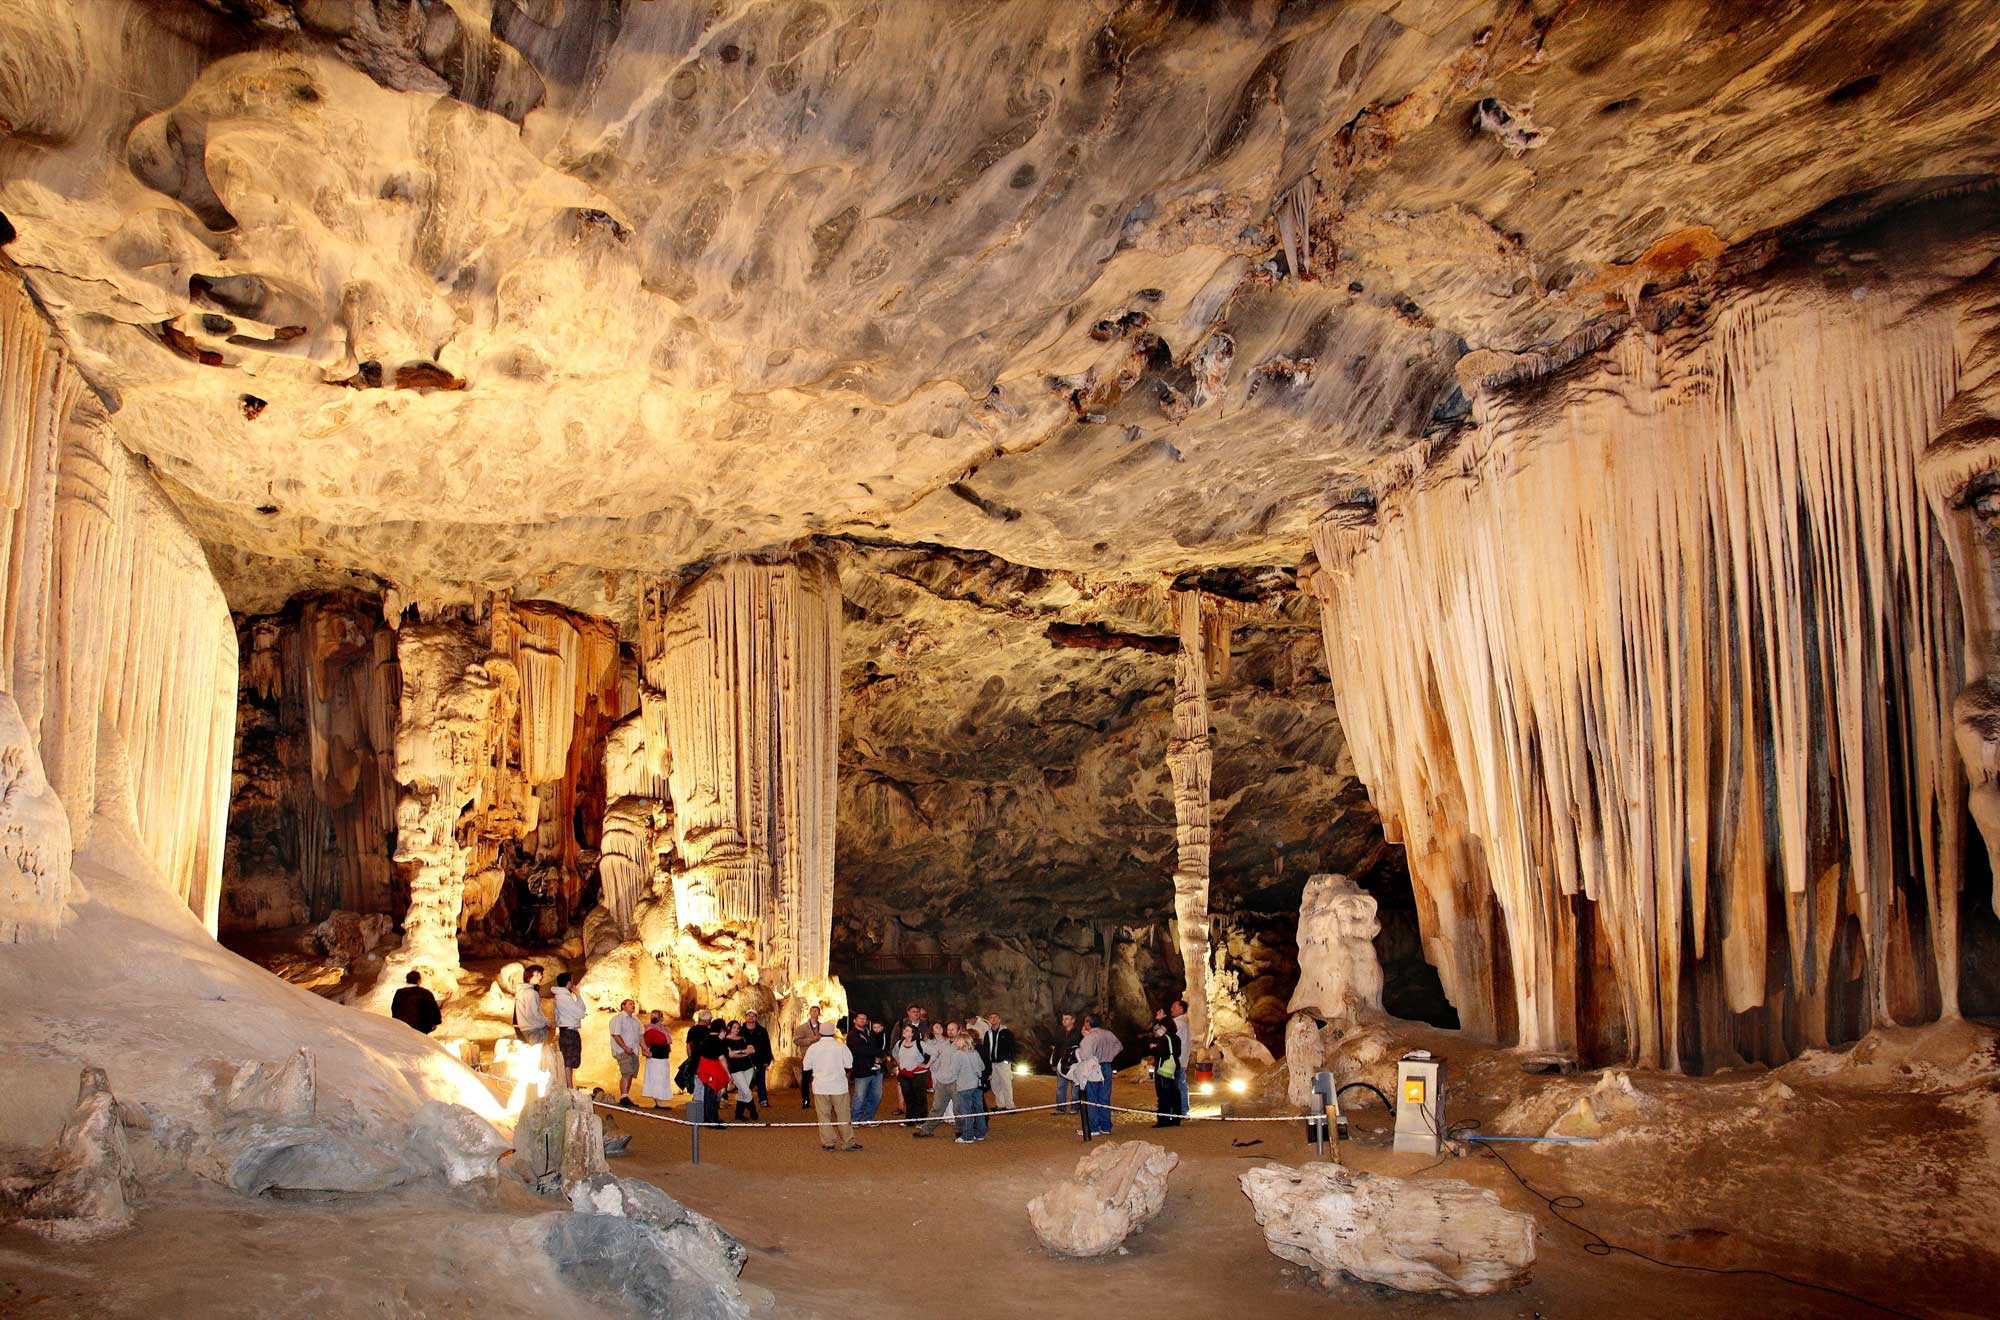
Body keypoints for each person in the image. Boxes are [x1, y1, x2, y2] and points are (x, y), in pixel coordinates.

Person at [804, 1022, 861, 1152]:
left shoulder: (813, 1048)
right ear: (834, 1033)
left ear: (820, 1033)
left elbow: (806, 1066)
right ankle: (848, 1142)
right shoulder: (841, 1047)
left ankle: (828, 1143)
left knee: (823, 1115)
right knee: (843, 1114)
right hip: (838, 1086)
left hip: (820, 1087)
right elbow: (849, 1064)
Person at [915, 1025, 966, 1138]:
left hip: (956, 1081)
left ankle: (960, 1131)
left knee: (958, 1108)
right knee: (937, 1107)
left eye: (953, 1029)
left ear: (959, 1031)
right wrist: (927, 1065)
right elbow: (934, 1054)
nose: (950, 1031)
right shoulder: (943, 1045)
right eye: (948, 1029)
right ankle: (927, 1130)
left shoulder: (963, 1045)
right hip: (942, 1080)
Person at [1076, 1013, 1121, 1137]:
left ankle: (1094, 1127)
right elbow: (1118, 1046)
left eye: (1085, 1022)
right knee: (1104, 1097)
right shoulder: (1108, 1034)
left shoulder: (1090, 1037)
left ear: (1088, 1023)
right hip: (1107, 1066)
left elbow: (1085, 1056)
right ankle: (1106, 1126)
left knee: (1092, 1098)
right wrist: (1110, 1055)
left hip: (1094, 1068)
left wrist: (1085, 1038)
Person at [847, 1012, 887, 1125]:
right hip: (862, 1070)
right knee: (860, 1096)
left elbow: (877, 1046)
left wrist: (880, 1056)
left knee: (876, 1095)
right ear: (854, 1020)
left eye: (865, 1019)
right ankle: (855, 1119)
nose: (863, 1020)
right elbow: (861, 1050)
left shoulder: (870, 1033)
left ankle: (867, 1118)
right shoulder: (852, 1035)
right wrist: (879, 1053)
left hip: (876, 1070)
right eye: (860, 1018)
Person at [951, 1031, 988, 1143]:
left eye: (957, 1040)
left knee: (966, 1111)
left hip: (965, 1086)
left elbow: (953, 1071)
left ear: (961, 1041)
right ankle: (980, 1133)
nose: (955, 1042)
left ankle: (967, 1136)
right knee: (979, 1110)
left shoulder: (957, 1055)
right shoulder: (975, 1053)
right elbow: (982, 1067)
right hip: (977, 1085)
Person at [551, 971, 586, 1086]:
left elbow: (581, 1009)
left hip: (569, 1030)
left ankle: (570, 1084)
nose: (573, 983)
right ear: (568, 982)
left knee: (571, 1059)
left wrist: (578, 995)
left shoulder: (565, 997)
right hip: (568, 1031)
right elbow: (580, 1013)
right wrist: (577, 999)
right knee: (568, 1059)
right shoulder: (563, 998)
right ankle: (569, 1086)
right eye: (572, 980)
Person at [693, 1018, 730, 1128]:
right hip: (712, 1070)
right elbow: (722, 1058)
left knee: (709, 1095)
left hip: (705, 1069)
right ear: (722, 1029)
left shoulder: (707, 1039)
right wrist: (728, 1073)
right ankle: (712, 1121)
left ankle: (710, 1119)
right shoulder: (716, 1041)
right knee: (711, 1097)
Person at [892, 1024, 930, 1126]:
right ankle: (910, 1119)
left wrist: (927, 1065)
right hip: (905, 1074)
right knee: (908, 1096)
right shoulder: (899, 1043)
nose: (905, 1031)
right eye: (904, 1029)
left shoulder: (920, 1044)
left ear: (913, 1033)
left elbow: (934, 1053)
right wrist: (899, 1063)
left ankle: (921, 1120)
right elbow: (894, 1053)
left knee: (919, 1097)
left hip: (919, 1075)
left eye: (908, 1030)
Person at [1145, 1019, 1182, 1126]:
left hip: (1164, 1069)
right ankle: (1176, 1119)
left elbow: (1161, 1053)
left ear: (1166, 1027)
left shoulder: (1164, 1039)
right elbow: (1178, 1053)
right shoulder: (1176, 1038)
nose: (1159, 1029)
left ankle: (1164, 1120)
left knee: (1163, 1094)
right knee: (1174, 1093)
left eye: (1161, 1027)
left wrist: (1153, 1049)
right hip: (1175, 1067)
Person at [609, 998, 645, 1105]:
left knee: (631, 1073)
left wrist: (645, 1049)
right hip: (622, 1050)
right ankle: (624, 1096)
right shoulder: (618, 1019)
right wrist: (625, 1048)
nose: (633, 1006)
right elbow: (616, 1034)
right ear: (623, 1006)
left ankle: (625, 1096)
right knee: (627, 1072)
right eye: (630, 1004)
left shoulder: (636, 1020)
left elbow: (640, 1036)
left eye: (633, 1004)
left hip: (633, 1051)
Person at [724, 1020, 760, 1121]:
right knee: (746, 1090)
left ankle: (738, 1114)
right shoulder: (725, 1041)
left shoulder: (743, 1038)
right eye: (734, 1027)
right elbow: (730, 1055)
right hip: (735, 1069)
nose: (736, 1030)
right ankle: (753, 1111)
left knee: (742, 1091)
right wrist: (744, 1052)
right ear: (729, 1028)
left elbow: (752, 1049)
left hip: (747, 1067)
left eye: (738, 1028)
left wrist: (739, 1052)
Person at [640, 1011, 674, 1108]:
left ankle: (660, 1100)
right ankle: (658, 1101)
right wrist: (646, 1051)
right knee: (657, 1079)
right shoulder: (650, 1029)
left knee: (662, 1078)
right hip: (655, 1058)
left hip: (663, 1058)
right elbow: (646, 1042)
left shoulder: (663, 1029)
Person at [390, 971, 441, 1035]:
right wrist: (436, 1022)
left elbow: (394, 1008)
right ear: (419, 980)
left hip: (401, 1026)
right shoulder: (425, 993)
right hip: (419, 1028)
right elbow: (433, 1009)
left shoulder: (399, 993)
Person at [1050, 1012, 1082, 1114]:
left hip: (1075, 1064)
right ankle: (1061, 1108)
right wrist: (1054, 1064)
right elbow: (1056, 1048)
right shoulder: (1060, 1032)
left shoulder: (1079, 1033)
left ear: (1073, 1020)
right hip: (1061, 1063)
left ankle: (1075, 1108)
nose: (1064, 1021)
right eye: (1063, 1019)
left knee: (1075, 1086)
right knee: (1061, 1086)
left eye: (1067, 1019)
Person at [793, 1005, 823, 1110]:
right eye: (813, 1011)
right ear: (810, 1012)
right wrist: (810, 1040)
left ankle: (822, 1100)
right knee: (806, 1080)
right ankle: (805, 1100)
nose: (815, 1013)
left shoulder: (823, 1027)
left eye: (817, 1011)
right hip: (807, 1057)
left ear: (819, 1013)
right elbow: (796, 1040)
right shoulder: (802, 1027)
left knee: (821, 1079)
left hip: (820, 1058)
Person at [985, 1013, 1017, 1110]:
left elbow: (1013, 1047)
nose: (993, 1019)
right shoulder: (988, 1033)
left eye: (995, 1017)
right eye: (991, 1017)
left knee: (1006, 1084)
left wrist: (1009, 1060)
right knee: (995, 1085)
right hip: (992, 1063)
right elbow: (986, 1048)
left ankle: (1010, 1106)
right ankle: (1001, 1104)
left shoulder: (1006, 1033)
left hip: (1003, 1063)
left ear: (999, 1019)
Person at [743, 1009, 773, 1107]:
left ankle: (763, 1099)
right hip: (744, 1060)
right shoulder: (741, 1030)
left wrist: (767, 1060)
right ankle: (745, 1101)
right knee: (746, 1082)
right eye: (749, 1015)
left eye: (753, 1015)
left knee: (761, 1081)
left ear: (756, 1018)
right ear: (745, 1017)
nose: (751, 1017)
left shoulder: (762, 1031)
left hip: (759, 1060)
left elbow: (766, 1046)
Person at [514, 964, 550, 1043]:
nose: (540, 977)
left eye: (541, 975)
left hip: (525, 1029)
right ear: (529, 977)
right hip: (535, 1030)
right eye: (537, 975)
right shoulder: (531, 993)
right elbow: (534, 1014)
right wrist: (547, 1022)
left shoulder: (521, 991)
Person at [1170, 998, 1193, 1120]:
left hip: (1176, 1059)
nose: (1171, 1009)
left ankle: (1182, 1110)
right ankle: (1182, 1109)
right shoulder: (1184, 1023)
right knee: (1181, 1084)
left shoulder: (1178, 1024)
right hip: (1182, 1059)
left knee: (1178, 1085)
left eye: (1174, 1007)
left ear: (1181, 1009)